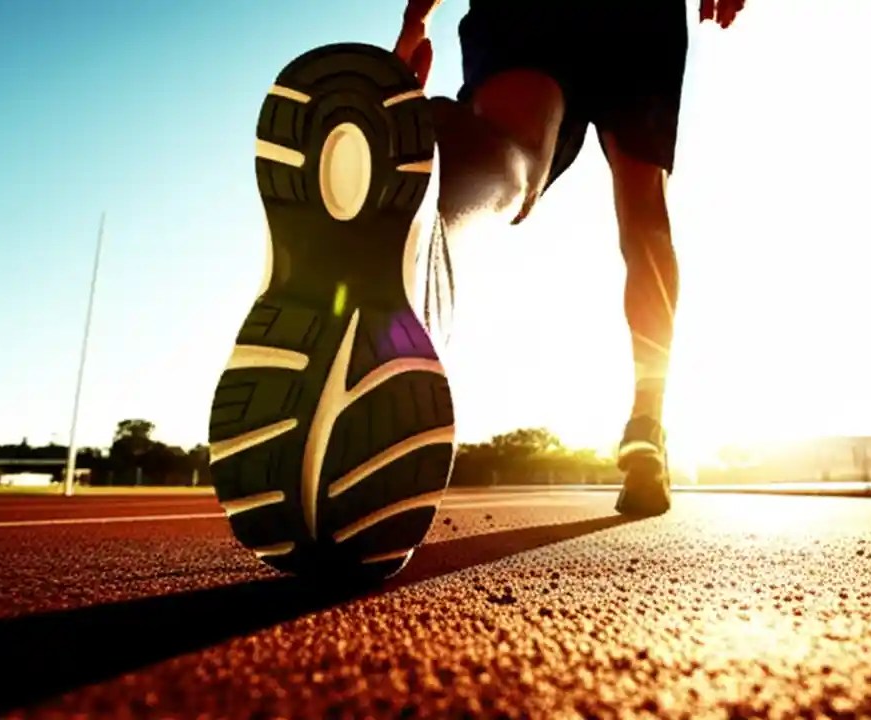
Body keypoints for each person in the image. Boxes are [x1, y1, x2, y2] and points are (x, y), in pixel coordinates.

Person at [207, 0, 747, 578]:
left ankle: (422, 196)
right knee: (644, 220)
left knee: (511, 148)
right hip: (637, 18)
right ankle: (647, 427)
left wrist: (417, 19)